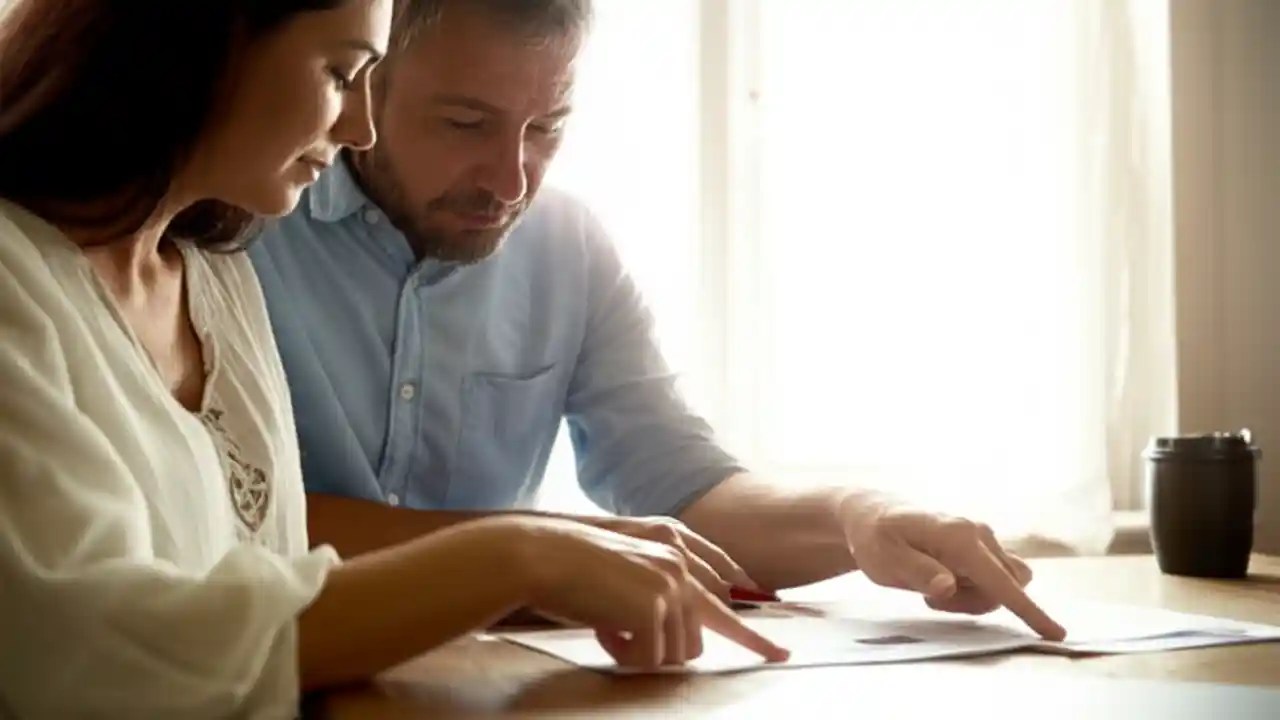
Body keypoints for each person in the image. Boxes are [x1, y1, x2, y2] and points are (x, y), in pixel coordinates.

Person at [0, 1, 787, 716]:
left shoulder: (214, 279)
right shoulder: (15, 275)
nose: (359, 129)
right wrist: (520, 554)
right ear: (204, 43)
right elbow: (91, 647)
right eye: (342, 73)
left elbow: (271, 589)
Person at [250, 0, 1068, 641]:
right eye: (466, 124)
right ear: (362, 84)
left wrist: (858, 517)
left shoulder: (567, 246)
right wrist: (529, 554)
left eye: (548, 129)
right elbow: (233, 518)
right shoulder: (241, 228)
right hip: (269, 671)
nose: (511, 181)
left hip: (482, 685)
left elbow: (684, 491)